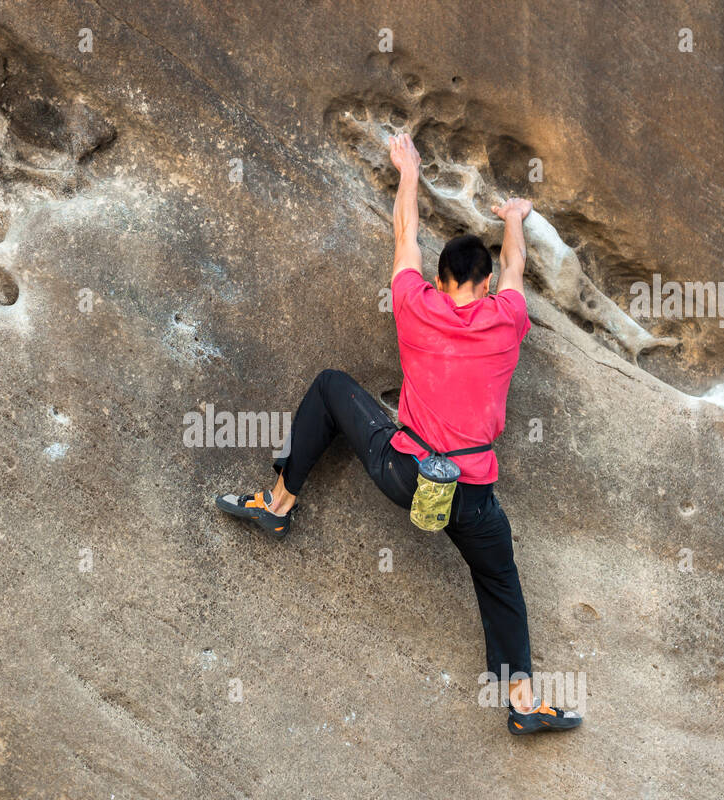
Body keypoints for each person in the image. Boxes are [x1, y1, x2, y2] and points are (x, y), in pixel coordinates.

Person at [216, 132, 581, 735]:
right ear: (486, 286)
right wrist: (515, 216)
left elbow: (405, 235)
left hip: (403, 473)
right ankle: (521, 700)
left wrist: (407, 169)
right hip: (471, 495)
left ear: (440, 282)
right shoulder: (507, 317)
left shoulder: (414, 303)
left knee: (334, 386)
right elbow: (515, 263)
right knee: (500, 582)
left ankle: (277, 503)